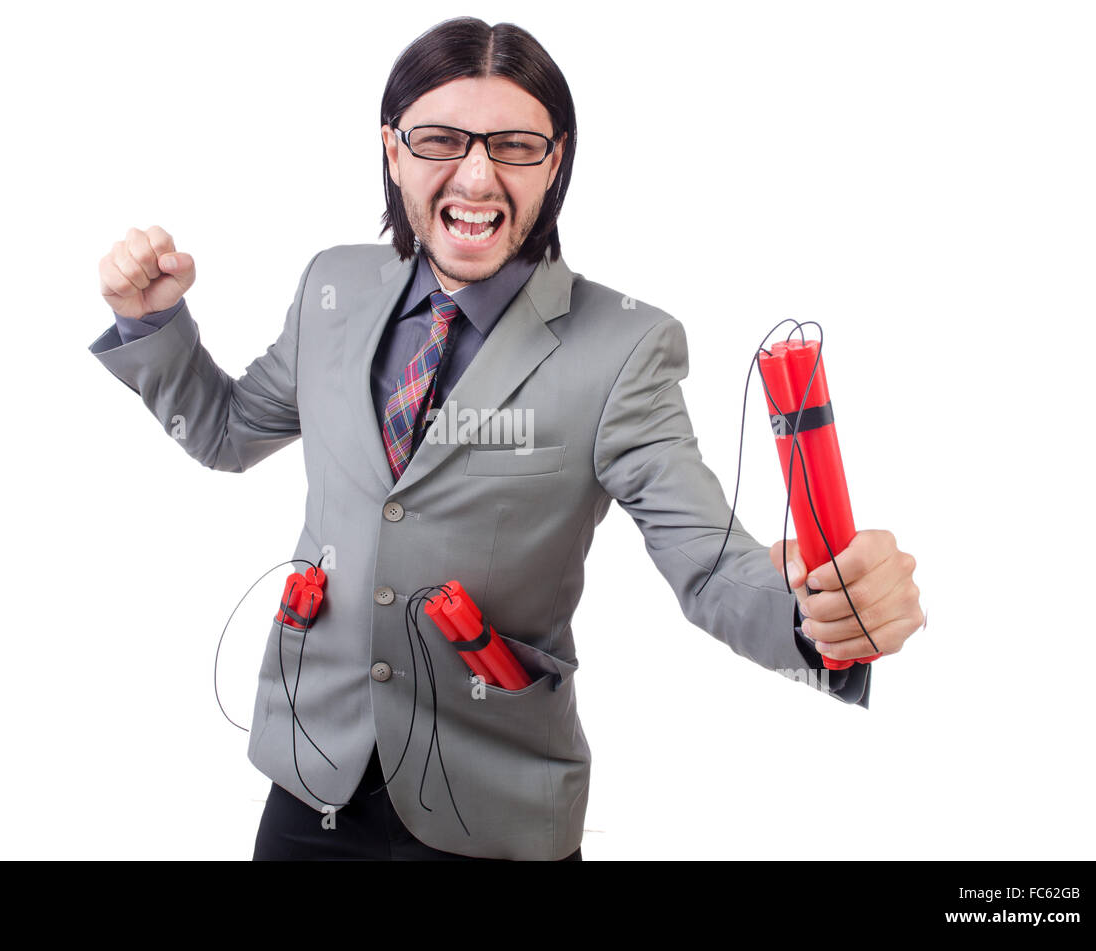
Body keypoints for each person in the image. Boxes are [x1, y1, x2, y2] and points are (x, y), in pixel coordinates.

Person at [90, 17, 924, 861]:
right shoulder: (332, 286)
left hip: (495, 808)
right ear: (393, 150)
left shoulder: (623, 347)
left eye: (516, 145)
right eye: (442, 139)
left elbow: (707, 562)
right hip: (312, 779)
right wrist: (150, 321)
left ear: (555, 160)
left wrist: (824, 618)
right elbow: (228, 432)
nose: (478, 176)